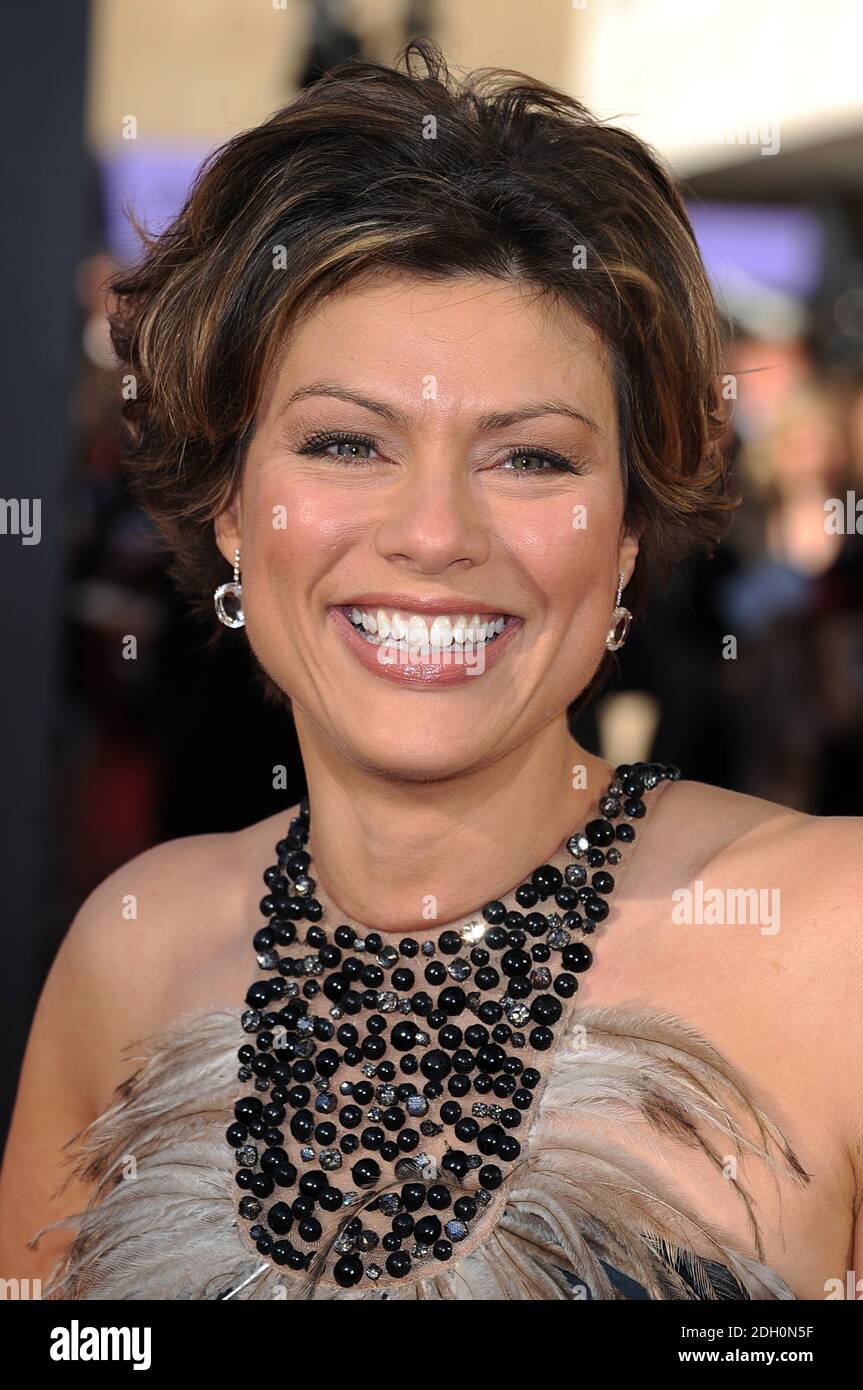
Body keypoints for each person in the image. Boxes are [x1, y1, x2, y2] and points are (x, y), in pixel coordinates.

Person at [1, 40, 861, 1302]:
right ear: (229, 506)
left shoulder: (834, 936)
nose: (433, 533)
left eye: (529, 459)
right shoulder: (130, 954)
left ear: (627, 532)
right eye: (347, 443)